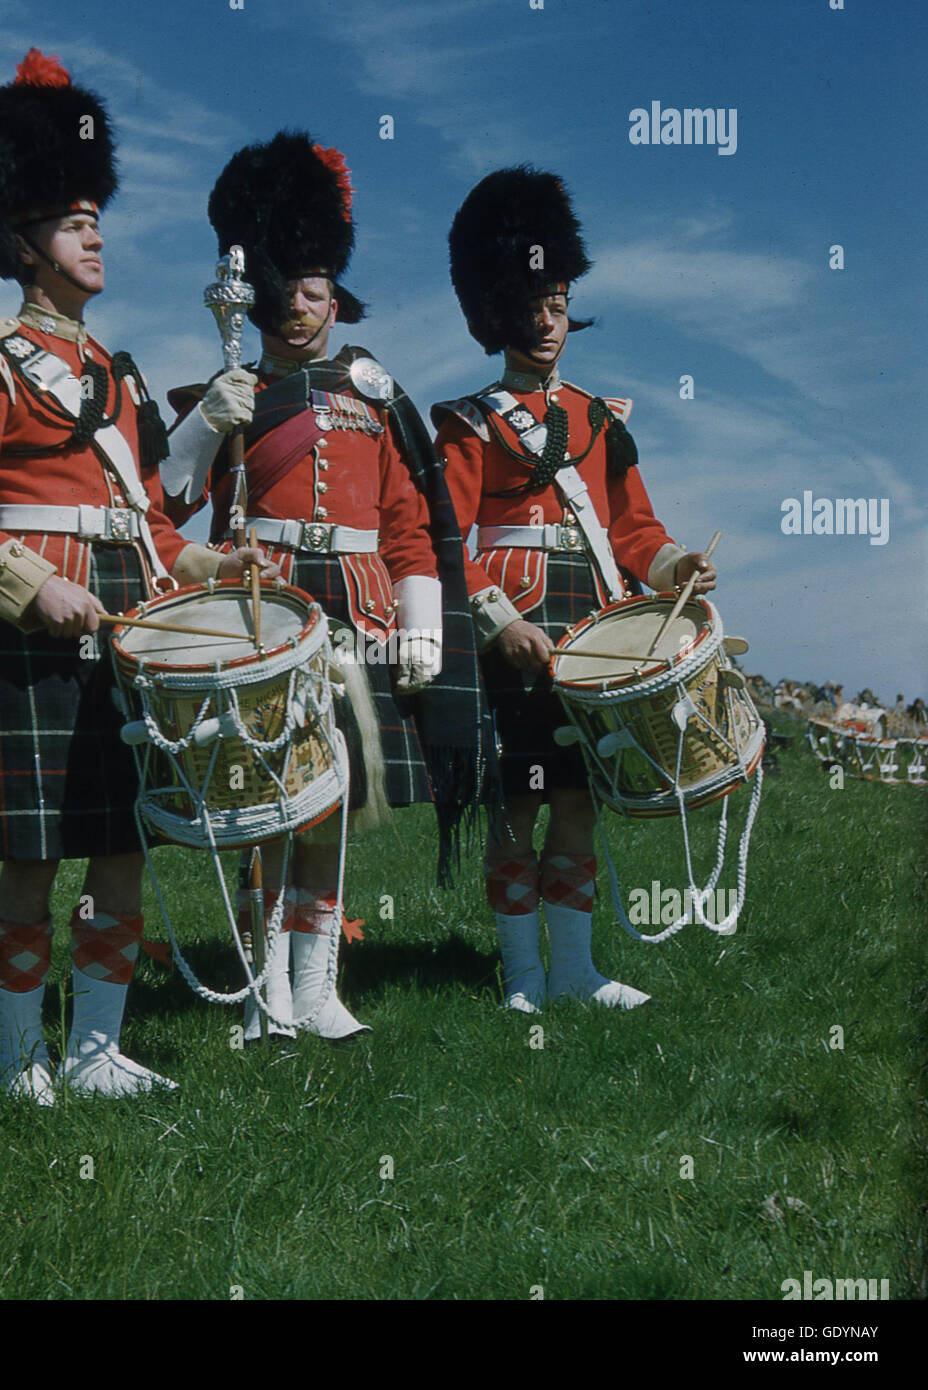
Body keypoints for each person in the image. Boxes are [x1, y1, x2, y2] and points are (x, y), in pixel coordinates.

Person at [0, 49, 272, 1102]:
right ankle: (20, 1057)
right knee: (36, 859)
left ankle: (94, 1050)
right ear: (20, 242)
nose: (97, 233)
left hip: (125, 625)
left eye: (95, 218)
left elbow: (150, 519)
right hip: (36, 640)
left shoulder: (116, 374)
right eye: (74, 222)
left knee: (121, 849)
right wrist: (31, 587)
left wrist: (212, 560)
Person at [162, 131, 489, 1041]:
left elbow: (408, 525)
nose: (301, 310)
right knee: (270, 795)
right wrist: (201, 426)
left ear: (337, 293)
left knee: (329, 795)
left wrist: (421, 622)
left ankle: (318, 987)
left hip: (353, 612)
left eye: (316, 292)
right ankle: (266, 990)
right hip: (260, 603)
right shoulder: (225, 390)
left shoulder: (375, 396)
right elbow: (161, 498)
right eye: (284, 294)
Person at [433, 167, 716, 1013]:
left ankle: (575, 973)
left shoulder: (601, 419)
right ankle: (521, 975)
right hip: (518, 632)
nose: (547, 324)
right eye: (530, 308)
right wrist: (497, 622)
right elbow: (448, 542)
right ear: (497, 315)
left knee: (580, 805)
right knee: (518, 810)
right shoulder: (469, 422)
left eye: (557, 304)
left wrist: (677, 571)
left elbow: (633, 528)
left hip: (592, 628)